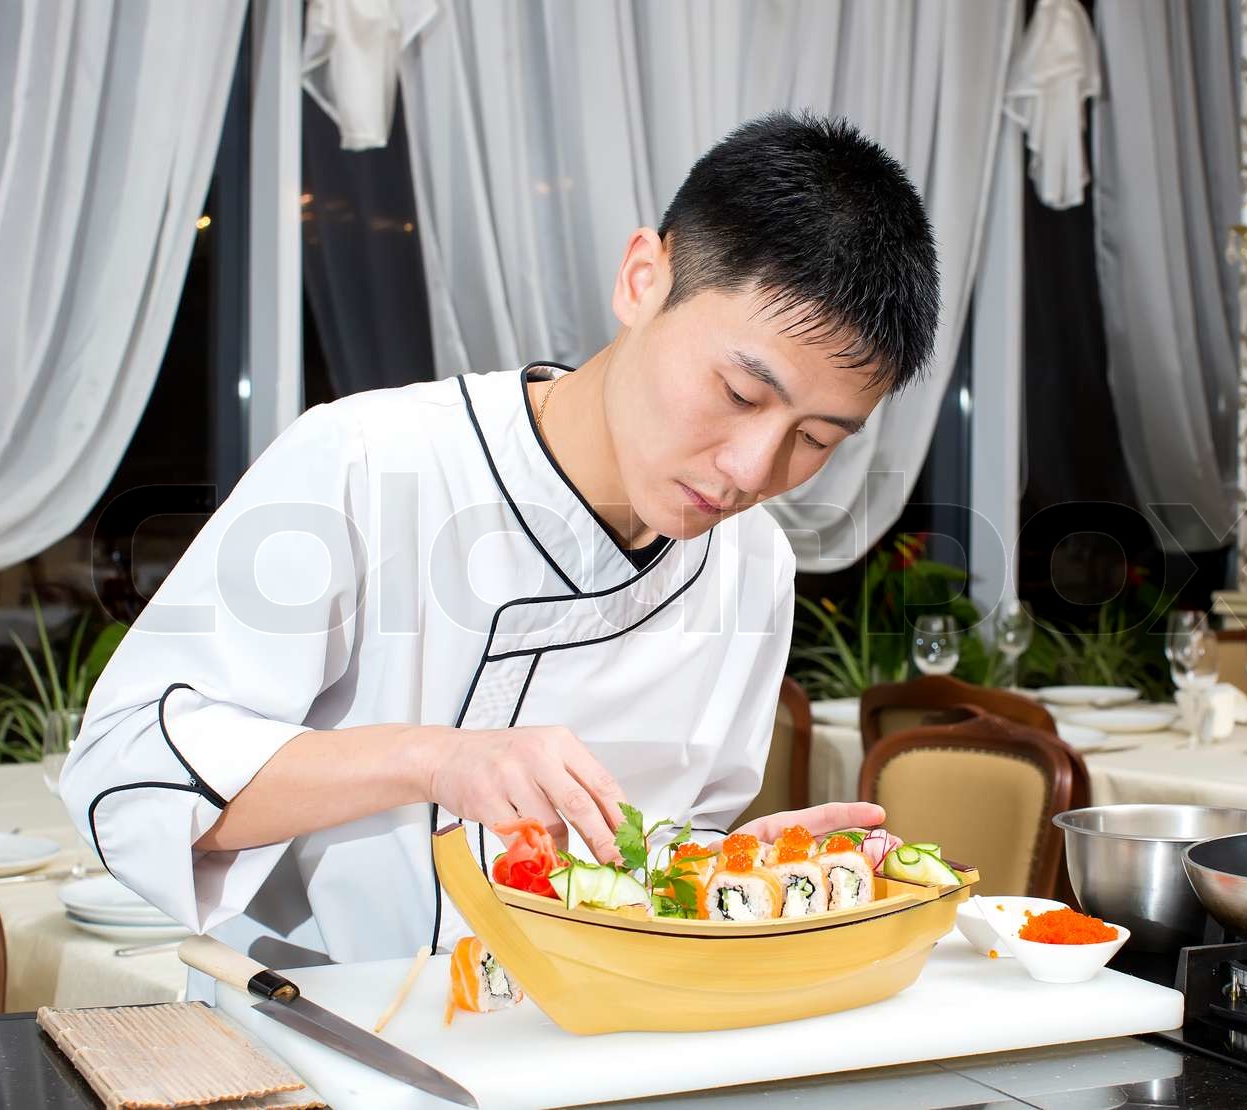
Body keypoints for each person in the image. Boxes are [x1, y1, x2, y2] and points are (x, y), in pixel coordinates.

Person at [61, 111, 940, 988]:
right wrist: (436, 759)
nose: (753, 470)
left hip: (593, 1032)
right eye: (741, 393)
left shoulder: (754, 568)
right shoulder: (370, 461)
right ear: (643, 281)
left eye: (816, 439)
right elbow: (129, 774)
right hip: (317, 1018)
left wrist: (720, 873)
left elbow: (663, 848)